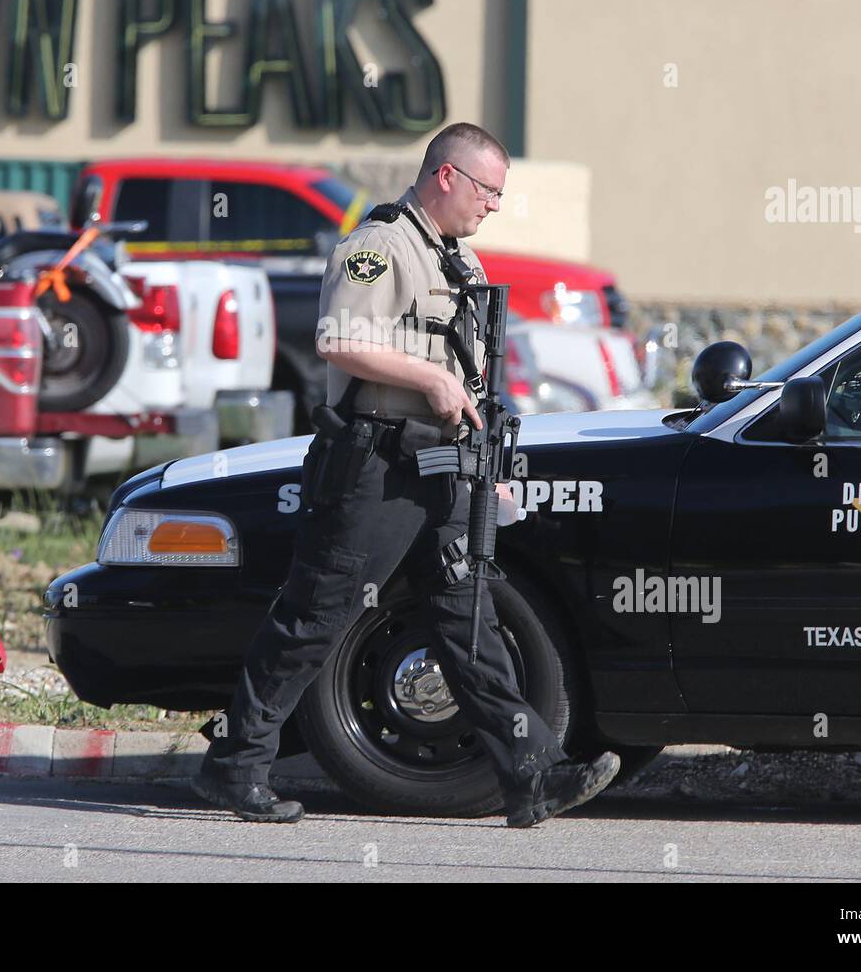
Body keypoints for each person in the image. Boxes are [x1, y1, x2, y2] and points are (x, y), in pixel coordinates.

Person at [192, 122, 620, 826]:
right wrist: (428, 378)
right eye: (487, 190)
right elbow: (338, 340)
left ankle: (530, 773)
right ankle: (235, 763)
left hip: (444, 468)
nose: (494, 206)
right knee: (318, 614)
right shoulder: (380, 246)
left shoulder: (461, 265)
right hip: (376, 466)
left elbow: (470, 378)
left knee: (470, 618)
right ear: (446, 176)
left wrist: (492, 470)